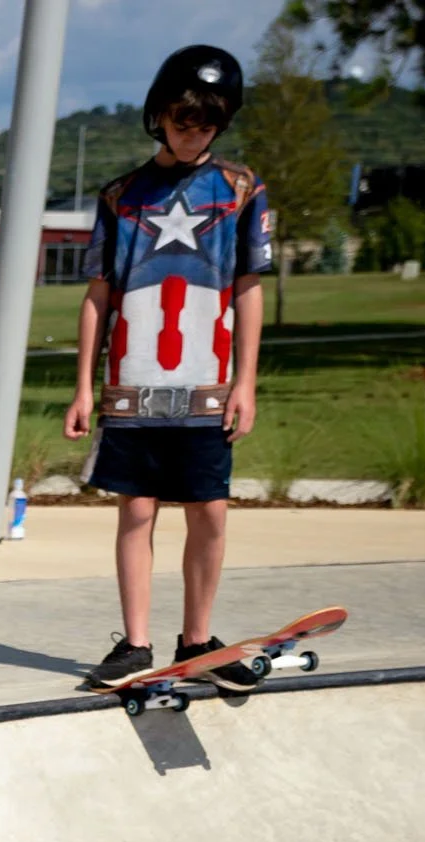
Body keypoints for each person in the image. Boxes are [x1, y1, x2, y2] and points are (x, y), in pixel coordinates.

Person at [65, 45, 272, 692]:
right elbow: (98, 293)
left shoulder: (240, 192)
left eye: (206, 126)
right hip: (134, 380)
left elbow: (247, 286)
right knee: (137, 511)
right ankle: (135, 643)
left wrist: (245, 381)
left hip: (207, 382)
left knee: (209, 511)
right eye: (183, 123)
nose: (193, 136)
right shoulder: (122, 197)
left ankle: (199, 638)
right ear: (159, 116)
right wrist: (82, 385)